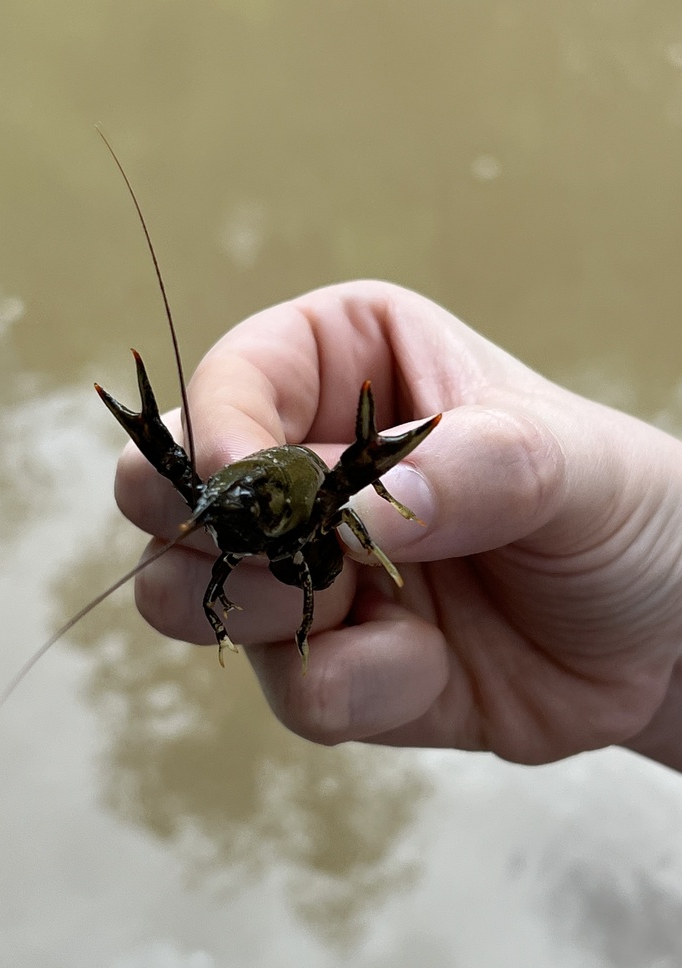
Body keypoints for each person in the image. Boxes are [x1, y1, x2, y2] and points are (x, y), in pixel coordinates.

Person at [113, 281, 682, 773]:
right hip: (591, 663)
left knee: (315, 567)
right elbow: (179, 477)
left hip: (316, 543)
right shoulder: (219, 504)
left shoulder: (325, 498)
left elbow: (344, 486)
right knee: (196, 557)